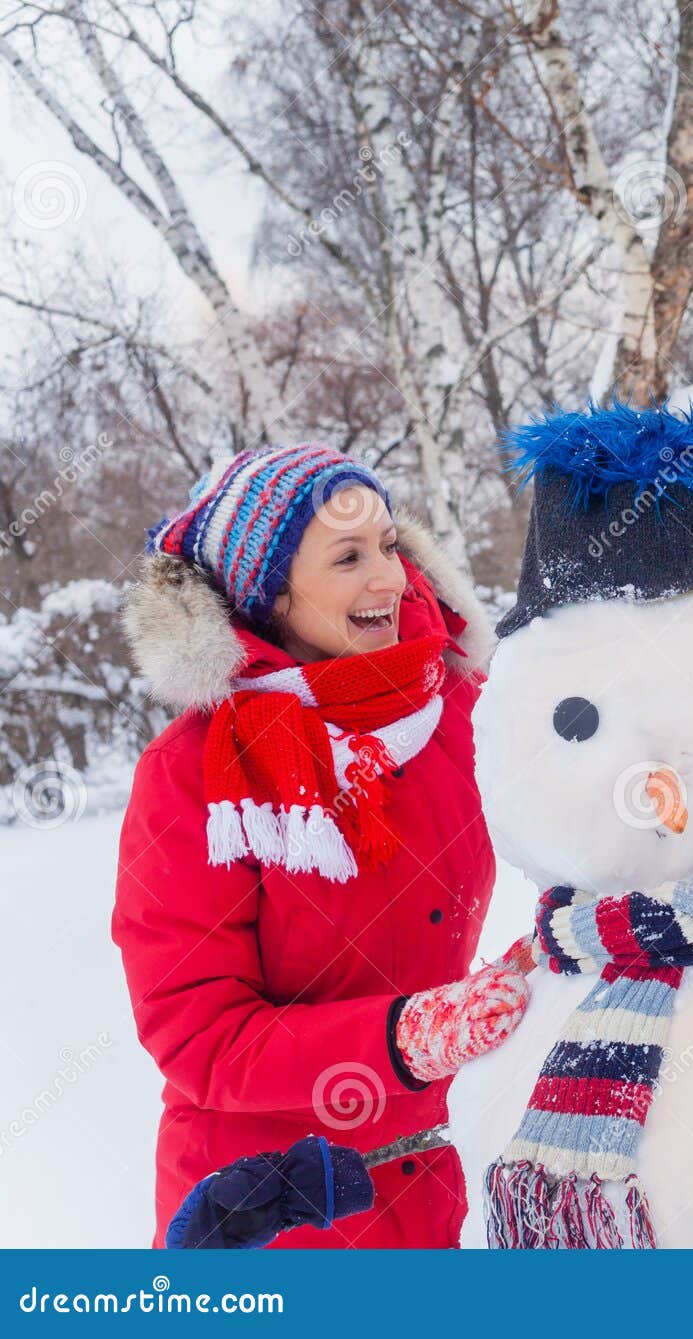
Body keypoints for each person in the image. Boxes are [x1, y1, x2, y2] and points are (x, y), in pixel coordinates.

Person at [114, 444, 527, 1248]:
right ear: (269, 597)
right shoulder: (194, 773)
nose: (393, 579)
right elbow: (198, 1033)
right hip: (263, 1207)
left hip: (430, 1181)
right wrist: (406, 1036)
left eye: (389, 544)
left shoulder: (456, 707)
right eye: (348, 557)